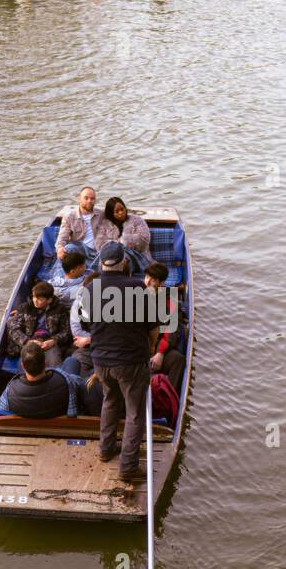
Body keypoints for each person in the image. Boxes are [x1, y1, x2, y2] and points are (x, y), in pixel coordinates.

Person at [78, 241, 160, 483]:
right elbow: (153, 327)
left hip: (101, 361)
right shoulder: (138, 287)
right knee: (134, 413)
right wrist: (151, 348)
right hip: (131, 362)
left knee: (110, 400)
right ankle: (128, 466)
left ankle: (105, 449)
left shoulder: (90, 289)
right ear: (125, 262)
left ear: (102, 263)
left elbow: (85, 325)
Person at [0, 340, 100, 418]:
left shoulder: (10, 390)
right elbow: (77, 388)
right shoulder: (65, 380)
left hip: (27, 427)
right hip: (61, 423)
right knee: (71, 361)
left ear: (23, 365)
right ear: (45, 363)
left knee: (70, 362)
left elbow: (1, 413)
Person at [6, 281, 72, 369]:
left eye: (40, 299)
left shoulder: (60, 310)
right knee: (26, 365)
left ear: (49, 300)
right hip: (30, 342)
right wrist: (27, 341)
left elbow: (66, 331)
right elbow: (13, 329)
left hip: (49, 343)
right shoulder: (25, 308)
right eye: (34, 297)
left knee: (55, 364)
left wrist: (53, 341)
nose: (35, 301)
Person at [144, 261, 185, 391]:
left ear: (161, 283)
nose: (147, 282)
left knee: (178, 360)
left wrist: (160, 353)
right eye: (146, 277)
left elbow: (172, 330)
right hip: (138, 345)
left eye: (153, 280)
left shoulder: (170, 301)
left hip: (156, 345)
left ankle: (169, 398)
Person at [56, 186, 116, 265]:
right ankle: (58, 276)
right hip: (80, 252)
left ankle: (95, 270)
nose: (89, 201)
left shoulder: (101, 214)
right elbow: (62, 237)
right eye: (86, 198)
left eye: (92, 198)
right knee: (68, 249)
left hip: (97, 252)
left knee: (112, 248)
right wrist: (60, 248)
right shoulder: (69, 217)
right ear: (79, 199)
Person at [103, 196, 151, 272]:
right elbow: (101, 242)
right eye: (116, 211)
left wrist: (122, 241)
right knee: (101, 258)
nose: (121, 213)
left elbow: (144, 239)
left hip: (138, 257)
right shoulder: (106, 225)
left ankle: (120, 279)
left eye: (122, 209)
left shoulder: (137, 220)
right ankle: (97, 283)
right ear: (111, 214)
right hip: (112, 258)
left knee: (123, 254)